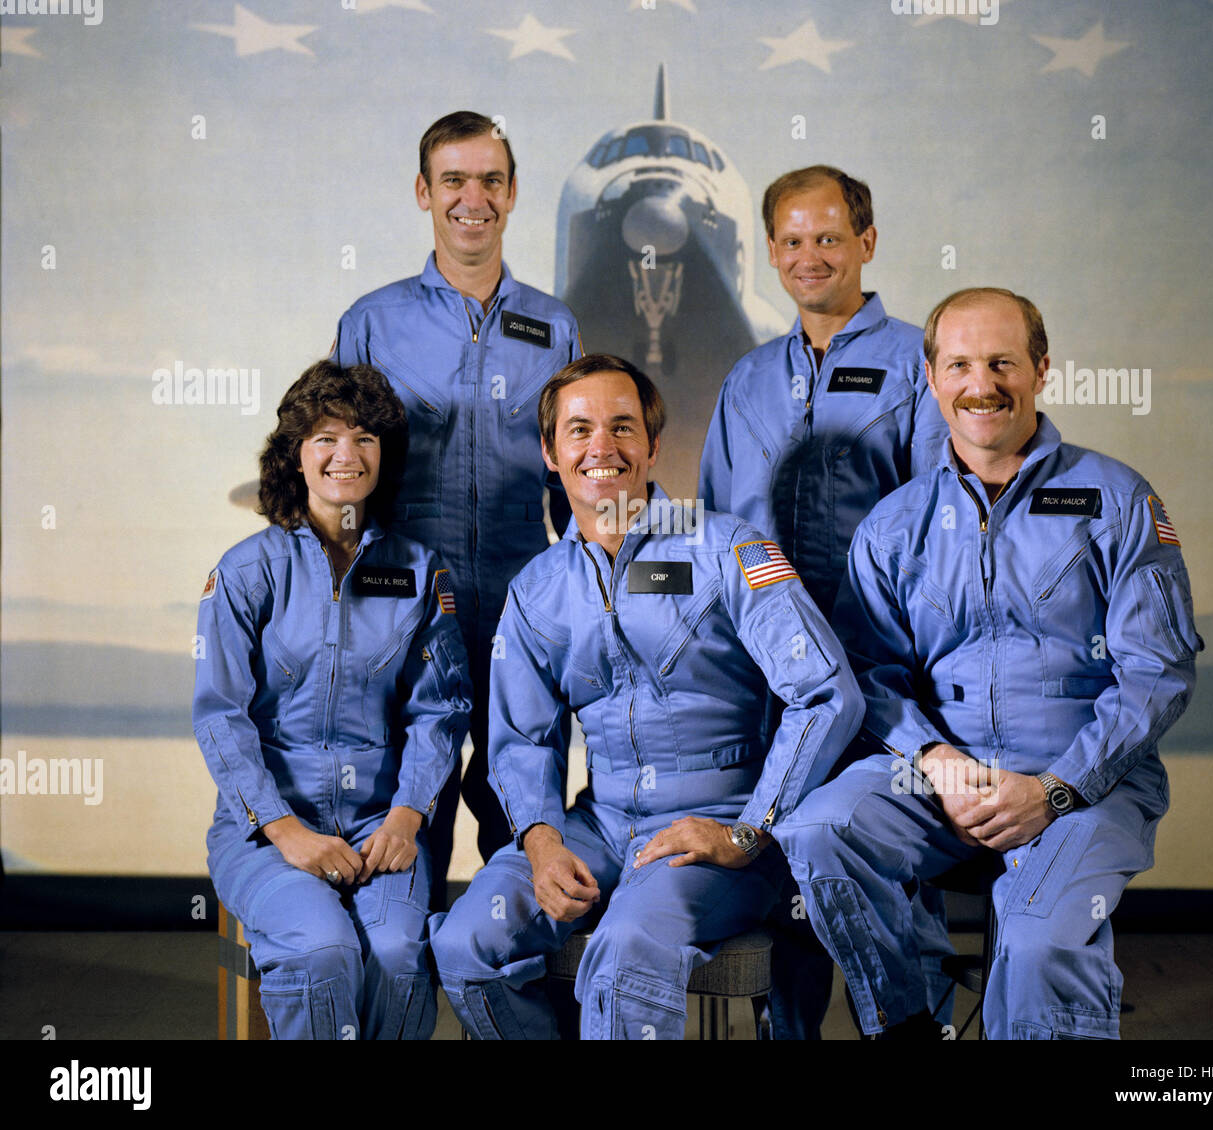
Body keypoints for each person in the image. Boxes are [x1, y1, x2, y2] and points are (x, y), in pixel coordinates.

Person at [775, 287, 1202, 1038]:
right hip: (942, 779)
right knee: (818, 829)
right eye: (961, 364)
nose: (982, 384)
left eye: (1003, 362)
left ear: (1041, 369)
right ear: (932, 376)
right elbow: (870, 674)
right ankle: (906, 1025)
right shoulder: (895, 524)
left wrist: (1056, 789)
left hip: (1085, 780)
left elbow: (1156, 673)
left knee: (1036, 949)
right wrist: (934, 759)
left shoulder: (1117, 500)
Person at [430, 354, 864, 1039]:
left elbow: (826, 694)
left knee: (626, 951)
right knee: (464, 946)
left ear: (654, 445)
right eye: (579, 430)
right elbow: (519, 742)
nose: (601, 448)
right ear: (550, 452)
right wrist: (540, 839)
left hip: (725, 826)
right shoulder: (538, 590)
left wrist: (749, 830)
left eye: (622, 427)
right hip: (599, 827)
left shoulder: (730, 551)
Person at [698, 164, 950, 1036]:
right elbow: (720, 534)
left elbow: (941, 528)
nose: (811, 257)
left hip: (884, 672)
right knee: (784, 884)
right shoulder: (749, 380)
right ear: (772, 251)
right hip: (782, 681)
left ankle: (915, 1027)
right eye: (793, 241)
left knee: (891, 876)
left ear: (867, 244)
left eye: (829, 238)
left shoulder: (921, 365)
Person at [332, 111, 582, 904]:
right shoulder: (372, 323)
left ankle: (506, 1000)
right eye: (454, 180)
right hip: (405, 608)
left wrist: (585, 598)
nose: (472, 198)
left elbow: (573, 479)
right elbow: (338, 478)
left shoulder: (555, 326)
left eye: (490, 181)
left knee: (524, 806)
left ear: (511, 195)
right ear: (423, 192)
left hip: (523, 602)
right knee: (409, 811)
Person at [194, 361, 471, 1039]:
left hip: (382, 828)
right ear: (294, 455)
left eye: (364, 439)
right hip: (266, 831)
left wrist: (407, 817)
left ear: (385, 456)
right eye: (324, 438)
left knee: (402, 957)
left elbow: (439, 710)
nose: (345, 455)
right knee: (323, 952)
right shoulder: (245, 572)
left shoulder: (418, 570)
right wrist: (285, 830)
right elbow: (221, 715)